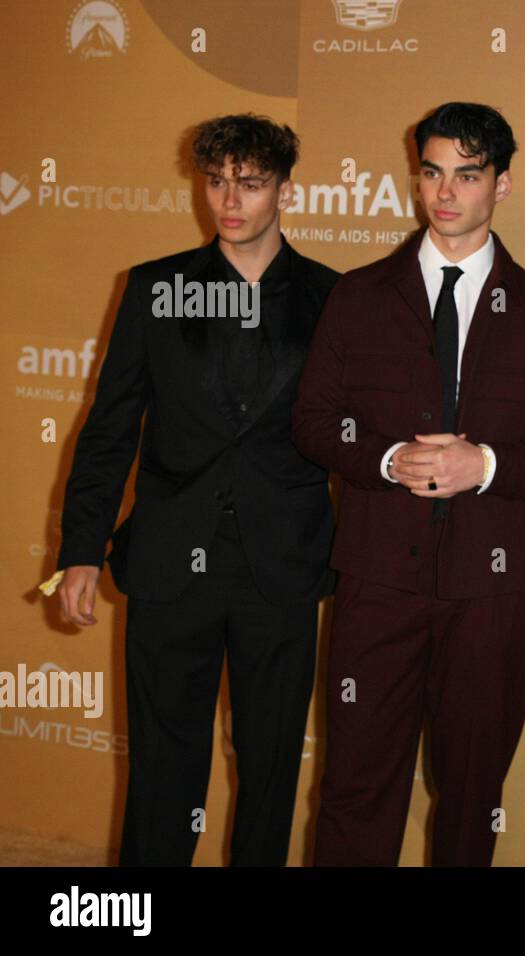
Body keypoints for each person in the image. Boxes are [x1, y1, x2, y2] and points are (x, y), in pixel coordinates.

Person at [293, 102, 525, 866]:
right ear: (416, 178)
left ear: (502, 184)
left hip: (490, 596)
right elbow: (315, 421)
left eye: (468, 174)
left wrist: (484, 465)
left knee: (470, 799)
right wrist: (390, 458)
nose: (447, 192)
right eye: (433, 172)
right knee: (356, 787)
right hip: (375, 584)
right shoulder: (357, 298)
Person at [56, 113, 339, 865]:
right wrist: (81, 550)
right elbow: (110, 429)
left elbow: (354, 437)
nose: (230, 200)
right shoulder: (157, 289)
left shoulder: (332, 301)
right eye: (216, 182)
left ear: (284, 188)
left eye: (249, 183)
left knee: (272, 766)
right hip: (168, 564)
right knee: (159, 767)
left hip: (279, 568)